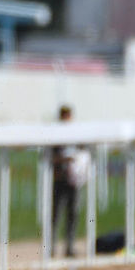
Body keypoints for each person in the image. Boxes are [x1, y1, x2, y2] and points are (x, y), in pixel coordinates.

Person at [50, 105, 92, 258]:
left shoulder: (76, 134)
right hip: (60, 178)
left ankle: (69, 246)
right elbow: (51, 157)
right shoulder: (55, 135)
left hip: (74, 180)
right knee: (56, 214)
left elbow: (83, 153)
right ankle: (52, 247)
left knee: (73, 213)